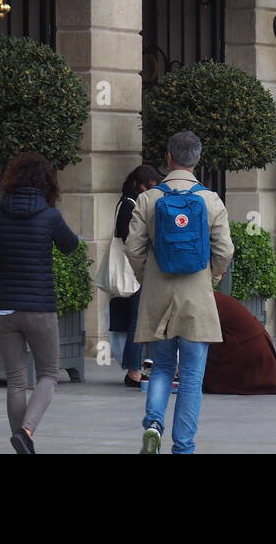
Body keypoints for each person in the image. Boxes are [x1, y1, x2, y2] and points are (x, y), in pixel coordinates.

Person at [125, 130, 233, 454]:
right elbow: (225, 249)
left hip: (158, 295)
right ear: (197, 159)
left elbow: (132, 247)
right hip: (196, 298)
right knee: (190, 376)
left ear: (168, 158)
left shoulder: (148, 198)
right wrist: (210, 278)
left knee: (159, 367)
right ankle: (183, 446)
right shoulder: (210, 200)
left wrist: (149, 275)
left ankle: (154, 424)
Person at [0, 152, 80, 455]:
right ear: (47, 182)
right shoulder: (49, 216)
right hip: (40, 307)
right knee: (48, 374)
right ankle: (26, 431)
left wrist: (0, 279)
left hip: (3, 307)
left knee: (16, 381)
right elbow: (71, 246)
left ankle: (21, 442)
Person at [110, 164, 160, 388]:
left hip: (136, 268)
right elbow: (126, 236)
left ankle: (137, 368)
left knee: (138, 320)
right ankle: (133, 372)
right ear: (139, 185)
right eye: (149, 187)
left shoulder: (129, 202)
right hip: (135, 269)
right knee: (137, 320)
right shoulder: (130, 204)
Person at [203, 292, 276, 396]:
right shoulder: (212, 297)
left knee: (198, 350)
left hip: (247, 347)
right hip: (252, 343)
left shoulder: (206, 301)